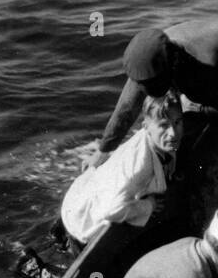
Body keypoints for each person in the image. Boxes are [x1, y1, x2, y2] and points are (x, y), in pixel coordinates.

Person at [93, 19, 218, 229]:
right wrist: (104, 149)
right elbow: (126, 109)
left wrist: (190, 121)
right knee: (178, 131)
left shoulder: (208, 63)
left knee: (203, 167)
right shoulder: (150, 61)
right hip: (210, 82)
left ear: (174, 65)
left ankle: (207, 231)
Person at [59, 91, 183, 245]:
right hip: (81, 222)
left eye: (177, 122)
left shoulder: (151, 139)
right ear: (146, 127)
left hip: (86, 197)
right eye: (164, 125)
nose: (173, 133)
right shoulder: (140, 166)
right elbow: (111, 210)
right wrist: (148, 205)